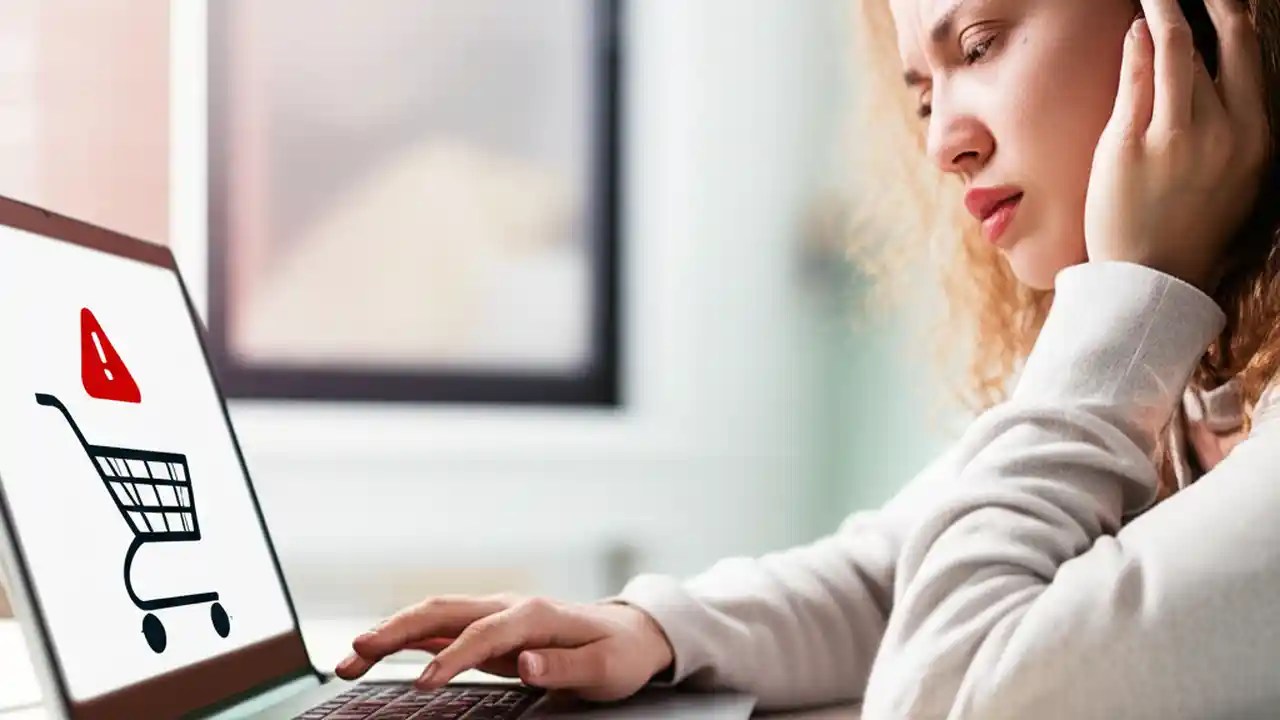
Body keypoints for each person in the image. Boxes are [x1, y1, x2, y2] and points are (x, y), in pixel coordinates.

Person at [336, 0, 1280, 716]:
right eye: (921, 94)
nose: (946, 143)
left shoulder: (1152, 345)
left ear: (1191, 23)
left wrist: (1129, 295)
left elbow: (943, 686)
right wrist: (652, 629)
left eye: (980, 46)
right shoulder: (1209, 376)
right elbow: (894, 572)